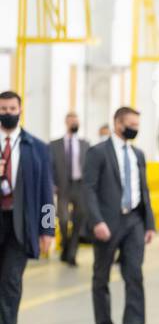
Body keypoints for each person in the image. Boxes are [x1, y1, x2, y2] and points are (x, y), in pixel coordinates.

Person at [82, 106, 157, 324]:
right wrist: (97, 221)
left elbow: (143, 190)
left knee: (134, 274)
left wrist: (149, 224)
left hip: (134, 220)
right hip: (107, 222)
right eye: (131, 125)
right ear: (117, 124)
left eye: (137, 126)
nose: (135, 129)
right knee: (101, 277)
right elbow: (89, 189)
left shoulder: (138, 155)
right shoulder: (97, 152)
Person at [0, 91, 55, 324]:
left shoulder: (37, 148)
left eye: (12, 108)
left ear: (20, 110)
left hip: (21, 225)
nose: (8, 113)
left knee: (11, 280)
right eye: (3, 108)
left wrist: (47, 229)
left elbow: (46, 193)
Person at [50, 111, 89, 266]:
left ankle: (72, 253)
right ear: (66, 122)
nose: (75, 124)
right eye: (72, 121)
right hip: (63, 187)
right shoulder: (55, 144)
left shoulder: (85, 144)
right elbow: (50, 166)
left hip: (80, 186)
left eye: (77, 121)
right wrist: (52, 183)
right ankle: (65, 245)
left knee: (79, 220)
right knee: (64, 219)